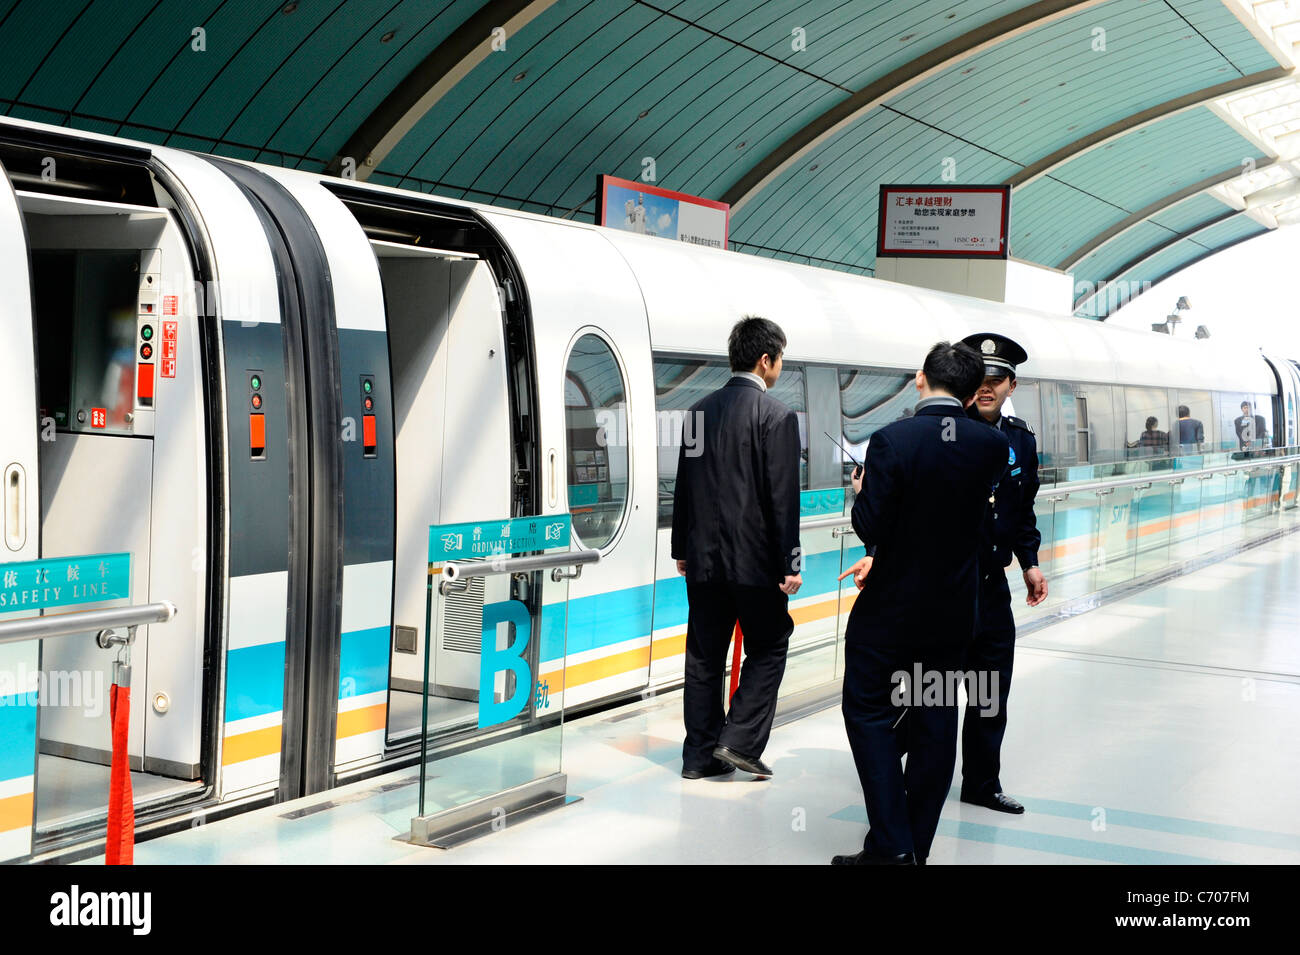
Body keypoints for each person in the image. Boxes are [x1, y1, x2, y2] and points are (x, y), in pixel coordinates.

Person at [831, 342, 1009, 865]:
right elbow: (976, 524)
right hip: (953, 615)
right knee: (934, 722)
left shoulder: (892, 441)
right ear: (973, 389)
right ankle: (915, 850)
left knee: (866, 712)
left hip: (889, 614)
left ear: (919, 379)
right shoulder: (991, 446)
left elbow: (873, 525)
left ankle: (892, 846)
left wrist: (862, 491)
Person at [671, 316, 802, 780]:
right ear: (765, 360)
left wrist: (681, 550)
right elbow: (782, 498)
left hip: (703, 563)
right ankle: (739, 742)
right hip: (756, 566)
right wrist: (790, 561)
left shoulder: (696, 412)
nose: (780, 367)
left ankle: (698, 758)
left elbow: (684, 487)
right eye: (780, 358)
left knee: (704, 655)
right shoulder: (778, 417)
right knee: (771, 644)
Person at [956, 332, 1047, 815]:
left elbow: (1022, 511)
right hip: (946, 586)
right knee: (931, 686)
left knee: (989, 689)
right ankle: (909, 774)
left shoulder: (1020, 441)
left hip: (992, 587)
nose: (987, 387)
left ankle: (981, 783)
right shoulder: (944, 432)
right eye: (980, 378)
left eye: (997, 378)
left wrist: (1029, 562)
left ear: (1012, 384)